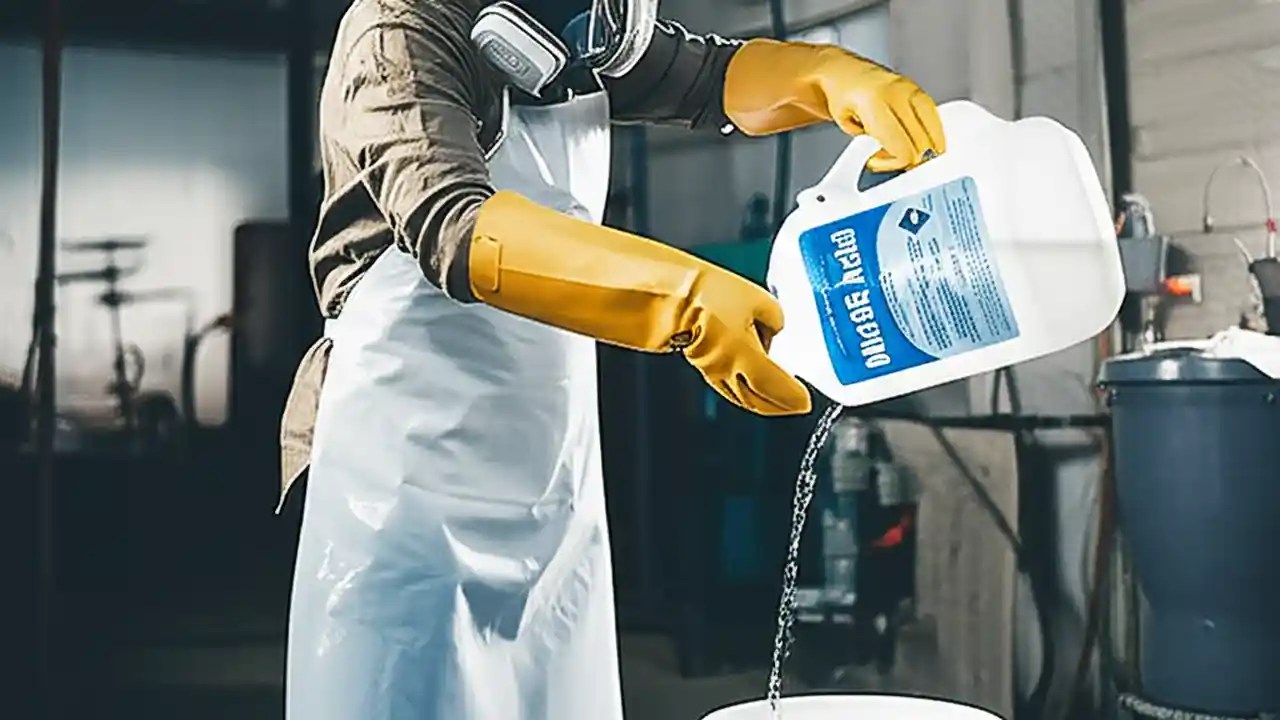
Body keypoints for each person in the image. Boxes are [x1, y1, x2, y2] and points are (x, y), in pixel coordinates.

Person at [278, 1, 945, 718]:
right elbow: (456, 224)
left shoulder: (573, 27)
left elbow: (709, 77)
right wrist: (679, 299)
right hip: (406, 480)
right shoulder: (399, 33)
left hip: (544, 467)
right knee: (412, 688)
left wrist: (823, 74)